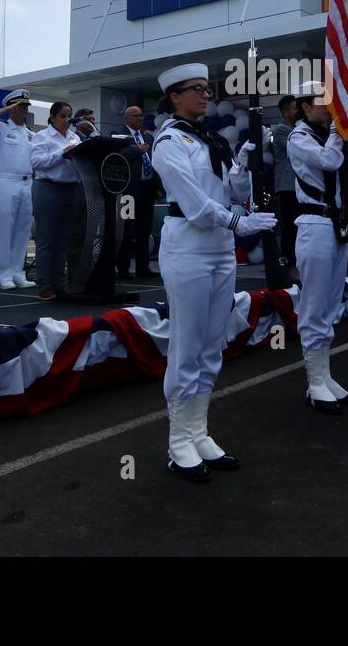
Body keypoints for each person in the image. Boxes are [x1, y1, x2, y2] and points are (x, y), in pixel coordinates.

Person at [151, 63, 275, 481]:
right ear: (174, 97)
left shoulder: (210, 140)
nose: (206, 95)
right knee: (186, 346)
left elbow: (227, 193)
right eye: (197, 89)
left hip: (220, 248)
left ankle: (199, 433)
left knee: (211, 345)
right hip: (188, 245)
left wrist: (240, 169)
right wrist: (239, 223)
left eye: (207, 89)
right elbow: (192, 199)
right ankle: (178, 443)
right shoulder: (169, 141)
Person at [288, 79, 348, 413]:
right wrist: (337, 132)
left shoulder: (330, 134)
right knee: (315, 305)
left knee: (332, 305)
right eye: (324, 103)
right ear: (305, 106)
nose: (330, 109)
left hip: (337, 225)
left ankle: (326, 376)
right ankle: (314, 381)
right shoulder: (299, 136)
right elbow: (328, 162)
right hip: (314, 223)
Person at [0, 88, 34, 289]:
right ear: (11, 107)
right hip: (6, 182)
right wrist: (5, 109)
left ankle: (18, 272)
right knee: (4, 230)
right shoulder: (0, 128)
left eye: (26, 105)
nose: (24, 108)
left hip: (27, 183)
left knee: (23, 231)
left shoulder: (31, 134)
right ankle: (3, 275)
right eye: (20, 105)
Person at [29, 101, 81, 301]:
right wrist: (62, 153)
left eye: (69, 116)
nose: (67, 120)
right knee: (47, 240)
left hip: (71, 189)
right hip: (48, 188)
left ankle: (60, 283)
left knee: (64, 240)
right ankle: (44, 284)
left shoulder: (75, 137)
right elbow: (36, 162)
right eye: (63, 116)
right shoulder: (42, 136)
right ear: (52, 117)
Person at [113, 105, 158, 279]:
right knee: (126, 230)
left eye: (142, 115)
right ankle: (123, 269)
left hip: (147, 190)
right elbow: (118, 155)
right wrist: (136, 150)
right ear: (127, 118)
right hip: (128, 191)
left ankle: (143, 267)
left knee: (144, 230)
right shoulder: (119, 135)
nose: (140, 119)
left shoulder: (148, 137)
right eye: (137, 116)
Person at [272, 94, 300, 282]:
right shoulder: (283, 130)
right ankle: (290, 266)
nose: (297, 110)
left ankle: (299, 263)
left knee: (299, 226)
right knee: (290, 227)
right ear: (285, 111)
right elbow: (297, 148)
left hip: (299, 187)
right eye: (294, 107)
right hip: (287, 186)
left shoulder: (296, 128)